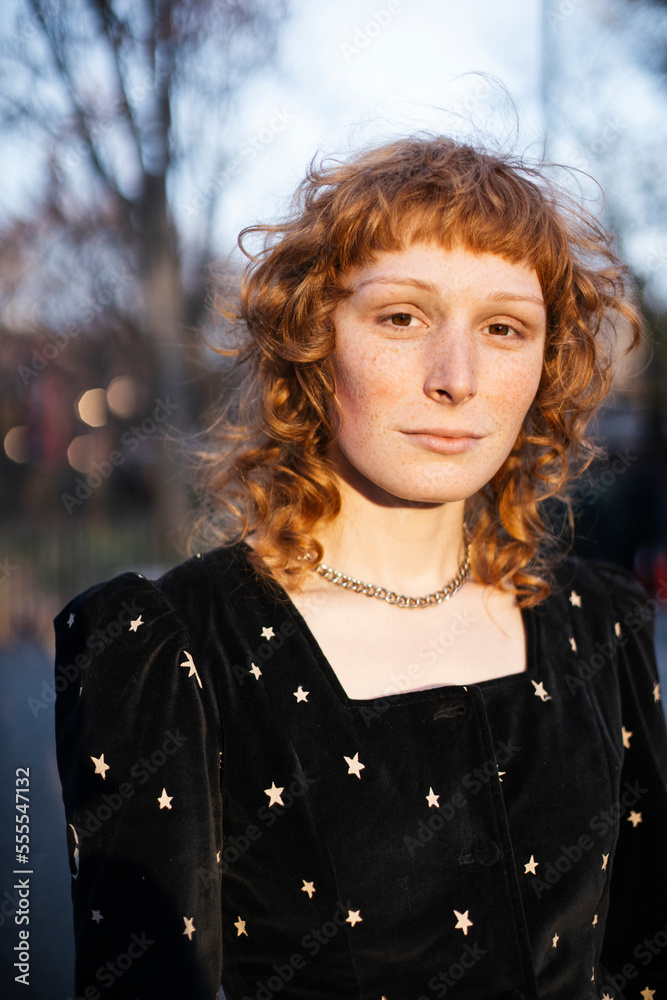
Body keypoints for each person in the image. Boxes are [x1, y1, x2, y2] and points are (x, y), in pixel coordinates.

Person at [55, 135, 667, 1000]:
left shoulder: (598, 622)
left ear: (545, 364)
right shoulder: (176, 653)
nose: (456, 379)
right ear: (311, 341)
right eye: (401, 317)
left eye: (503, 328)